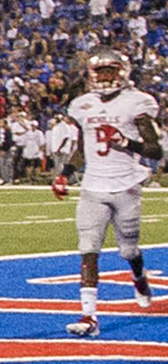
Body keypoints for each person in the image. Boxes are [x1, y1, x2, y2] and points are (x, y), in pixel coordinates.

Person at [52, 48, 161, 337]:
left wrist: (126, 141)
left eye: (109, 71)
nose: (103, 76)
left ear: (121, 72)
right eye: (99, 71)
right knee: (88, 249)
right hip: (92, 187)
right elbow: (81, 149)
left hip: (125, 185)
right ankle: (89, 317)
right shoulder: (82, 104)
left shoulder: (137, 102)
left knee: (128, 249)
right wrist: (64, 174)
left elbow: (155, 150)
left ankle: (139, 276)